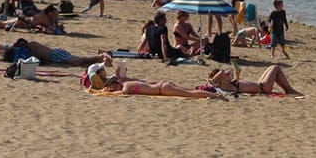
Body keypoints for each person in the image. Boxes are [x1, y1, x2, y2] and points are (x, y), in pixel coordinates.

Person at [87, 62, 227, 100]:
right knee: (189, 89)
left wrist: (105, 93)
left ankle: (215, 95)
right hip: (162, 84)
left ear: (115, 84)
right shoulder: (127, 82)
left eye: (113, 88)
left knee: (190, 93)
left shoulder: (126, 86)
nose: (114, 90)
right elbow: (145, 80)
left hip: (162, 89)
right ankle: (211, 90)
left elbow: (121, 93)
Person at [207, 64, 303, 96]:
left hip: (260, 84)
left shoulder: (228, 83)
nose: (226, 75)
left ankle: (288, 89)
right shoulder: (224, 85)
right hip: (264, 88)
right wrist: (212, 79)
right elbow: (222, 71)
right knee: (275, 67)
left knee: (271, 67)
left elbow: (231, 71)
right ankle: (289, 90)